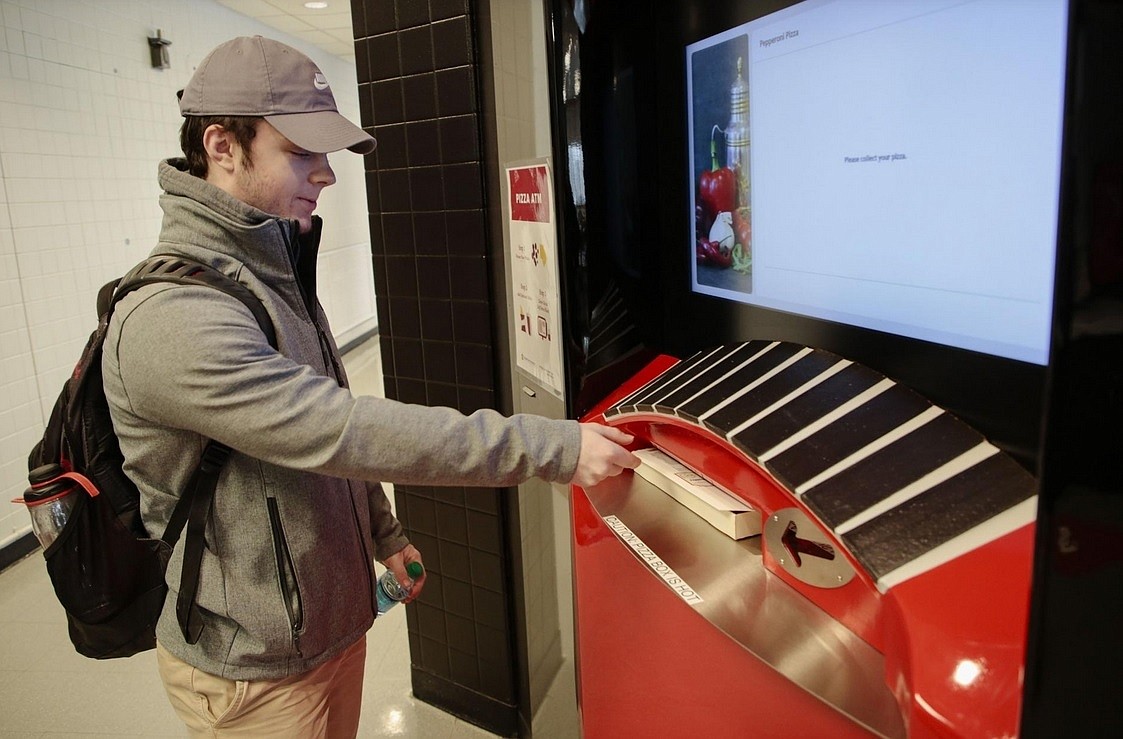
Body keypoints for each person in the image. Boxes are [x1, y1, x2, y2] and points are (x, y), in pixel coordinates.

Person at [101, 35, 638, 738]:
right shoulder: (174, 316)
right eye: (300, 152)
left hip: (325, 629)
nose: (325, 175)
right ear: (222, 147)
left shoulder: (269, 268)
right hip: (252, 670)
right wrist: (553, 448)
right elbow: (339, 427)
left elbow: (326, 426)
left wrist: (382, 533)